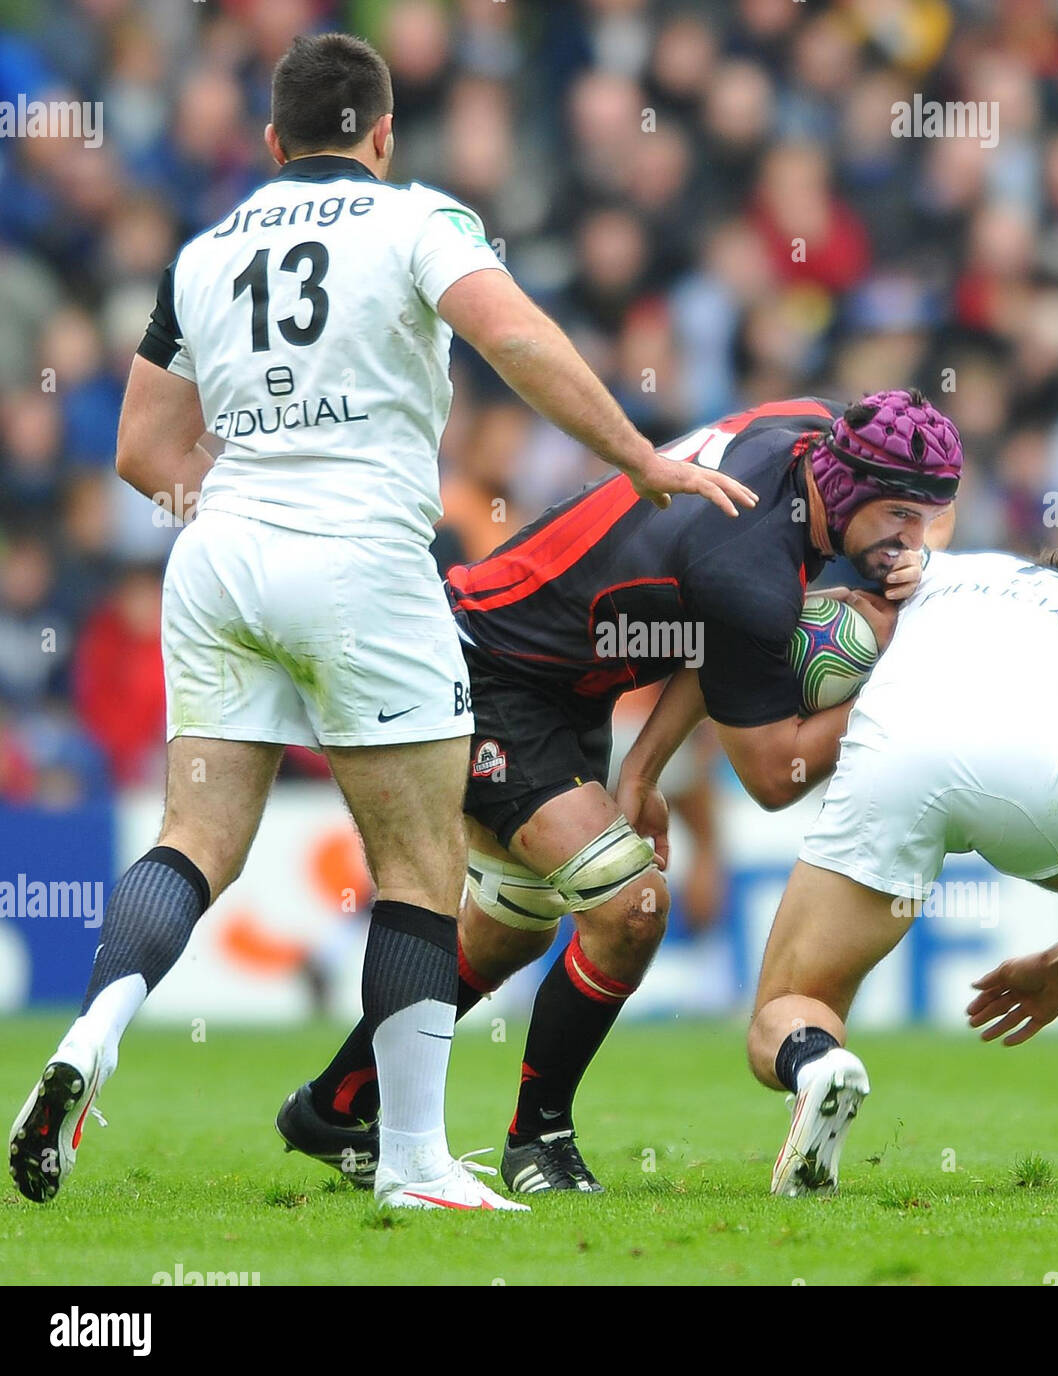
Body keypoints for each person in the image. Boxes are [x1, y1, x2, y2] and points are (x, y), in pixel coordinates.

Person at [8, 32, 753, 1214]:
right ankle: (412, 1158)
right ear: (384, 133)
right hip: (360, 561)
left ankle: (92, 1032)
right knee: (419, 863)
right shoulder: (419, 221)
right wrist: (638, 455)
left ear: (270, 142)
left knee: (193, 837)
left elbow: (141, 450)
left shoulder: (202, 252)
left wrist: (245, 506)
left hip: (220, 559)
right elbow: (514, 337)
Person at [279, 388, 962, 1194]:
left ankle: (333, 1104)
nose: (913, 542)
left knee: (510, 932)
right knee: (630, 908)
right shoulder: (751, 569)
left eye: (929, 518)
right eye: (901, 520)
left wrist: (639, 772)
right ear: (848, 489)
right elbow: (778, 774)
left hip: (570, 681)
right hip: (489, 671)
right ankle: (539, 1141)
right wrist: (895, 678)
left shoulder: (812, 430)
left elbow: (710, 636)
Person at [738, 550, 1058, 1196]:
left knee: (787, 1003)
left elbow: (847, 604)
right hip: (1034, 752)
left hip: (895, 746)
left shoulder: (937, 568)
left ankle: (814, 1064)